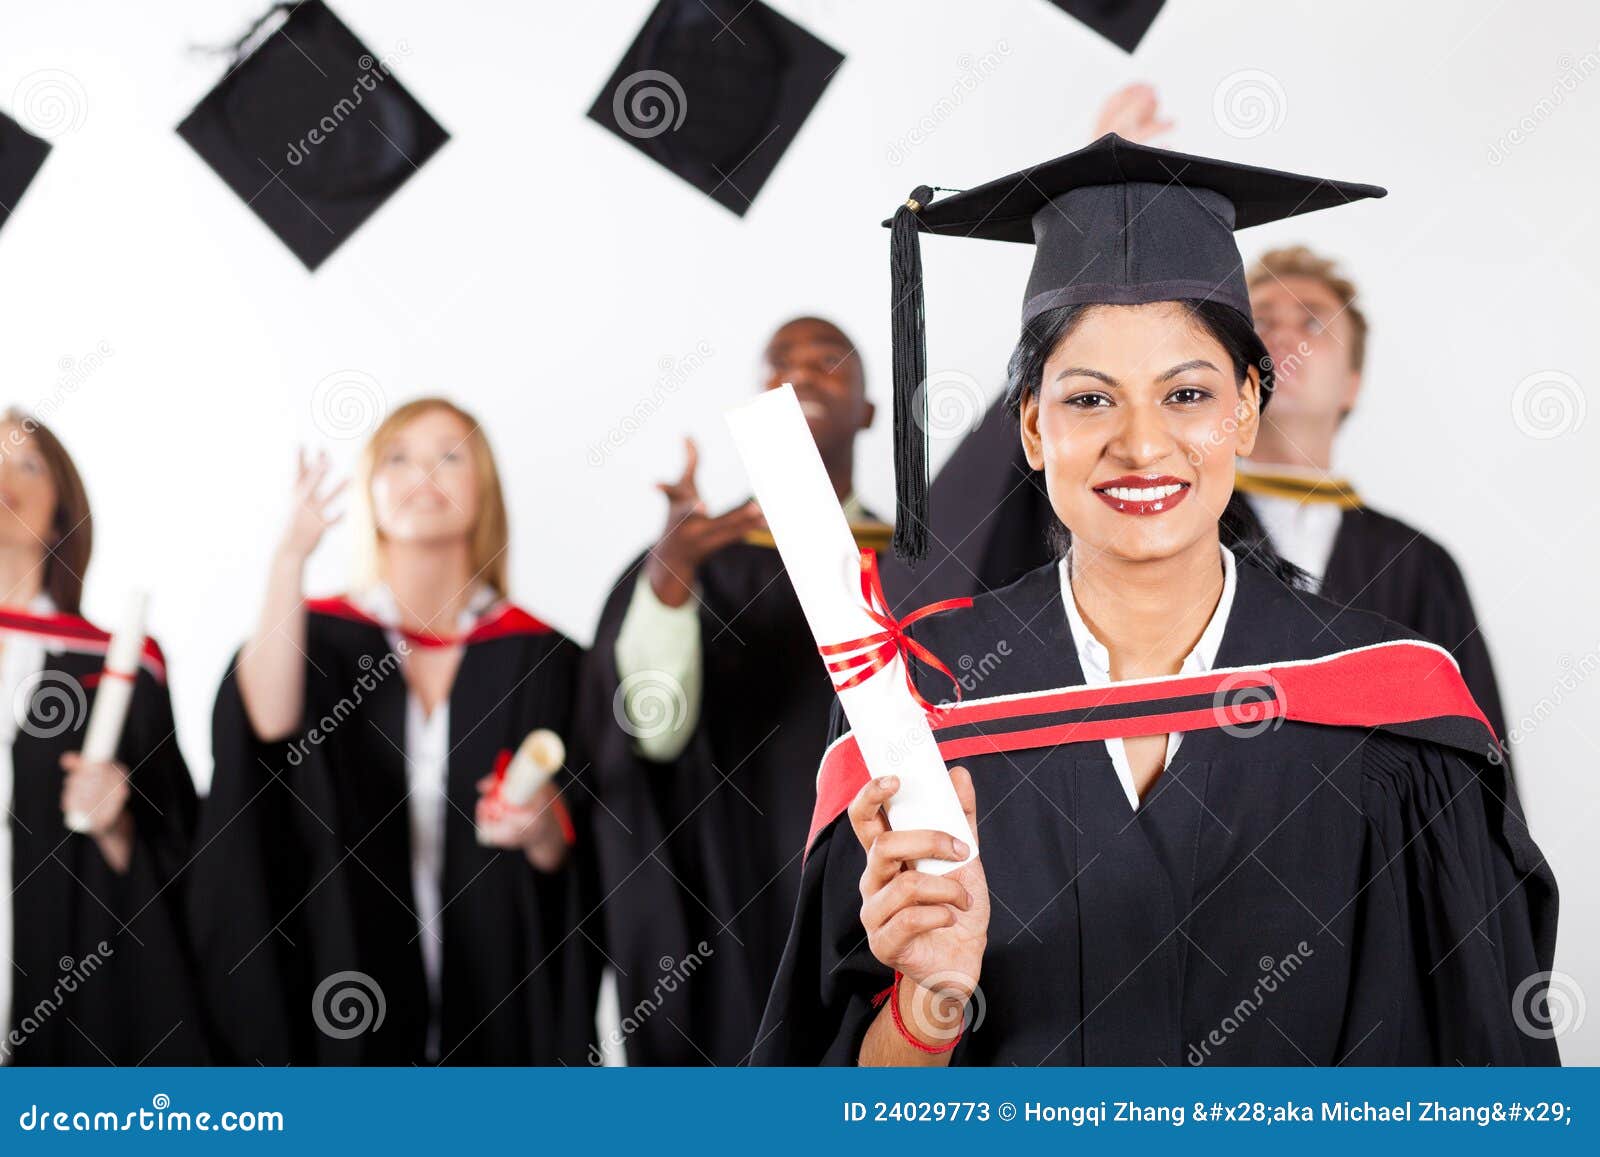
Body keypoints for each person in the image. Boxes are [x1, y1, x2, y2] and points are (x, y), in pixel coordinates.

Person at [754, 134, 1557, 1066]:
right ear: (1030, 423)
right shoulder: (924, 707)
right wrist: (927, 1005)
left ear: (1248, 409)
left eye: (1187, 393)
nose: (1142, 445)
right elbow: (846, 1109)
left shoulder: (1389, 715)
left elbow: (1478, 1067)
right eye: (1090, 400)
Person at [189, 398, 597, 1065]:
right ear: (370, 489)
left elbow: (577, 847)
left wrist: (543, 824)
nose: (423, 473)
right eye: (399, 456)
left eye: (450, 454)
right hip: (340, 976)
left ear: (484, 487)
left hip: (502, 984)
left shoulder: (542, 655)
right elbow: (265, 723)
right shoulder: (317, 634)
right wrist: (290, 555)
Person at [578, 317, 885, 1064]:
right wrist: (671, 581)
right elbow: (651, 735)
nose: (803, 375)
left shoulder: (908, 560)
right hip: (724, 901)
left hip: (871, 889)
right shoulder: (696, 560)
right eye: (779, 364)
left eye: (827, 363)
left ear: (871, 412)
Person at [0, 410, 205, 1064]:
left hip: (61, 996)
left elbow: (184, 850)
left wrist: (118, 820)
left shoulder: (113, 667)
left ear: (61, 512)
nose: (3, 476)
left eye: (27, 463)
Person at [1242, 244, 1508, 749]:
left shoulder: (1418, 566)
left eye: (1313, 324)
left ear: (1351, 385)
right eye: (1261, 320)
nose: (1281, 336)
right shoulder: (1174, 528)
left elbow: (1474, 758)